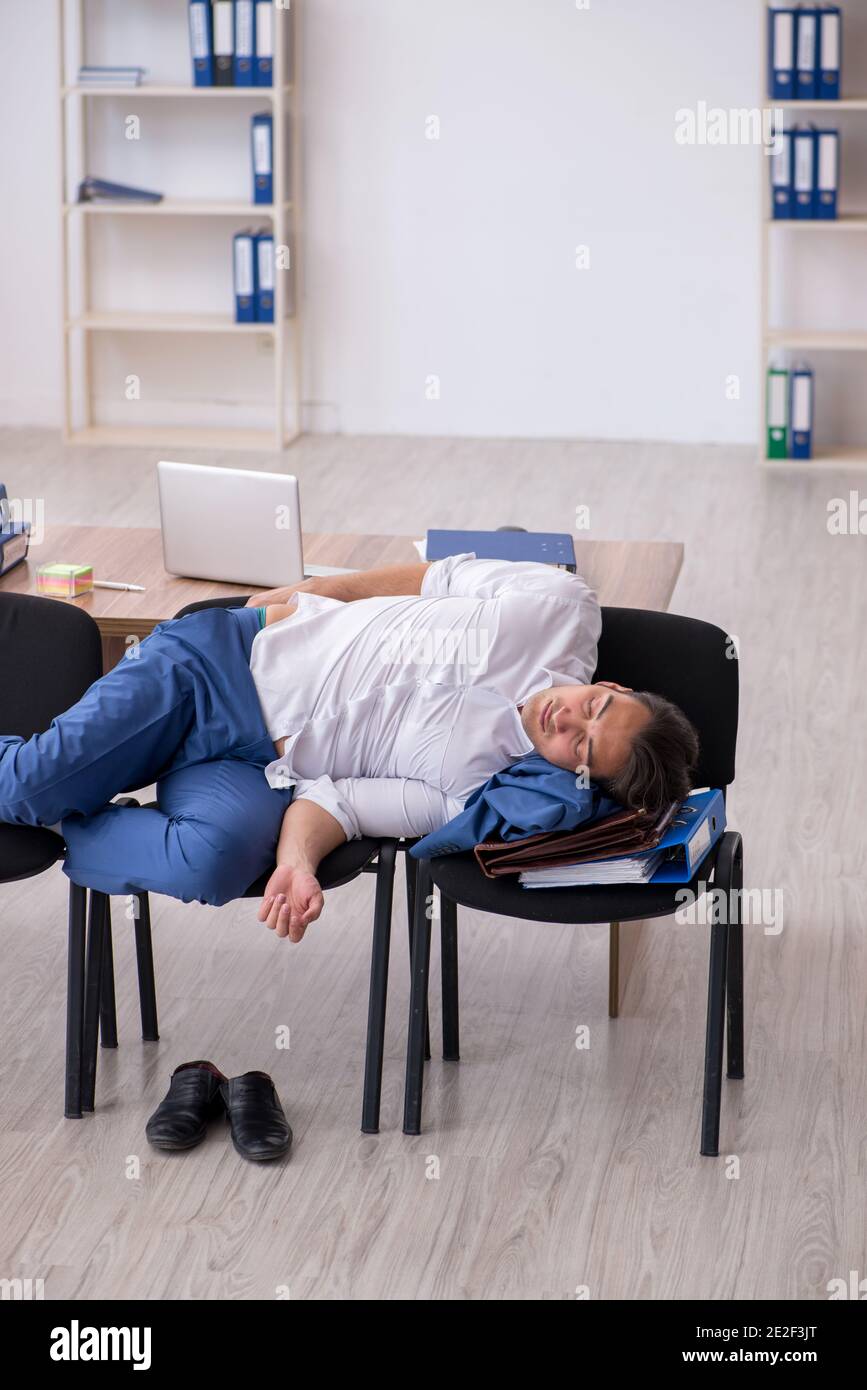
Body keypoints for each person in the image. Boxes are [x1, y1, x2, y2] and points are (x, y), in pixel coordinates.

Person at [0, 553, 698, 942]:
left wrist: (298, 865)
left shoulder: (470, 785)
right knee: (30, 784)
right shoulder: (555, 608)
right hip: (214, 670)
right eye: (594, 706)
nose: (565, 721)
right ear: (606, 682)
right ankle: (50, 798)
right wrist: (307, 591)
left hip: (255, 768)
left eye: (581, 750)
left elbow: (338, 804)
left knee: (213, 863)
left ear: (577, 778)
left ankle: (65, 816)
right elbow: (432, 576)